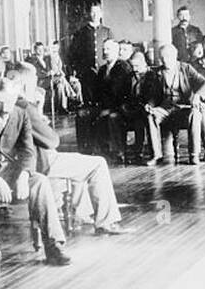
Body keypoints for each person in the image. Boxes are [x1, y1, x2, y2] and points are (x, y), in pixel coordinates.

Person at [0, 76, 71, 266]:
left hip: (13, 173)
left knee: (40, 181)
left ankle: (54, 246)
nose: (5, 108)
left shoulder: (21, 114)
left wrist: (24, 174)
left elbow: (28, 151)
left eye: (9, 102)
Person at [10, 66, 127, 235]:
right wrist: (39, 109)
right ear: (26, 84)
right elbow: (52, 140)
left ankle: (82, 214)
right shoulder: (25, 106)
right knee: (98, 164)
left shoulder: (13, 104)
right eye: (34, 78)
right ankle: (106, 222)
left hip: (28, 162)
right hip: (42, 161)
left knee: (79, 164)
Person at [151, 43, 205, 164]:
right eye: (162, 57)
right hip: (166, 108)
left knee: (195, 114)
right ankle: (156, 155)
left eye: (168, 57)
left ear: (175, 56)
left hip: (185, 108)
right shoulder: (156, 73)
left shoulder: (186, 68)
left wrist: (198, 95)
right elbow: (152, 94)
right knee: (151, 116)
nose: (165, 60)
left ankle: (194, 154)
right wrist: (151, 106)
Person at [113, 50, 162, 163]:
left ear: (144, 63)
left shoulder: (152, 76)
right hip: (131, 108)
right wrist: (123, 106)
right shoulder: (130, 76)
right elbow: (123, 94)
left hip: (145, 109)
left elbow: (155, 95)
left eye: (137, 66)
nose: (134, 69)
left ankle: (140, 152)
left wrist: (149, 105)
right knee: (115, 117)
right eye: (132, 66)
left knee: (139, 121)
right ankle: (120, 153)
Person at [69, 2, 114, 100]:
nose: (95, 15)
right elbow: (73, 54)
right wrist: (78, 70)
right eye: (92, 12)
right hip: (86, 73)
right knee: (89, 100)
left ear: (101, 14)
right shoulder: (81, 32)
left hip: (104, 71)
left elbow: (113, 52)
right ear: (89, 14)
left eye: (97, 12)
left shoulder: (107, 32)